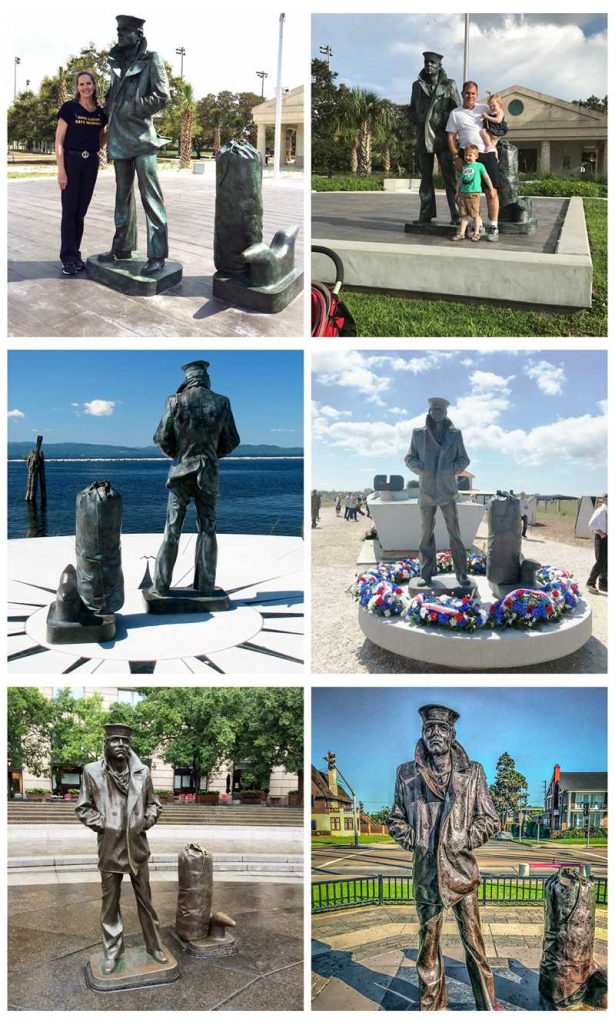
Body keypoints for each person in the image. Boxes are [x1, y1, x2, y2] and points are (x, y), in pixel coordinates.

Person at [387, 704, 501, 1011]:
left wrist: (465, 838)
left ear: (452, 735)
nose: (434, 734)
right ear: (423, 735)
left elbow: (490, 819)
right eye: (428, 729)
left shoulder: (472, 772)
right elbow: (395, 819)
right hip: (426, 873)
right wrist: (416, 841)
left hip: (462, 872)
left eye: (441, 729)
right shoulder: (406, 774)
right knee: (429, 948)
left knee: (475, 945)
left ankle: (487, 1006)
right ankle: (432, 1009)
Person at [76, 723, 167, 975]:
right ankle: (113, 953)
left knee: (146, 901)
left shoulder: (142, 771)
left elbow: (154, 805)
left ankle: (154, 946)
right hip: (110, 848)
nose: (121, 746)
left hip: (137, 848)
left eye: (125, 742)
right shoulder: (91, 772)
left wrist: (144, 822)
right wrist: (104, 824)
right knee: (110, 905)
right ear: (106, 743)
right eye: (115, 741)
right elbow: (83, 808)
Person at [153, 361, 240, 595]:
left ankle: (161, 586)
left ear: (188, 379)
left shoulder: (174, 401)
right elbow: (232, 440)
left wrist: (180, 456)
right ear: (205, 379)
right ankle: (206, 585)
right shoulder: (222, 402)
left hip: (180, 472)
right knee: (208, 528)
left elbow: (161, 438)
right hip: (208, 472)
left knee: (172, 529)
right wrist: (211, 455)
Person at [99, 14, 171, 274]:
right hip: (119, 139)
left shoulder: (152, 59)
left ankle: (157, 255)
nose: (119, 34)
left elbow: (163, 95)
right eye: (118, 30)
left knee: (151, 198)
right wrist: (104, 112)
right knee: (122, 197)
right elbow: (112, 95)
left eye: (125, 30)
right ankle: (121, 247)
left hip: (141, 139)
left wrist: (135, 108)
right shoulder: (116, 62)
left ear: (138, 34)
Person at [405, 397, 471, 588]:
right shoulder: (418, 434)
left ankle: (461, 574)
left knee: (455, 533)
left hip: (448, 490)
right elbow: (409, 458)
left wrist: (450, 470)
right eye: (434, 410)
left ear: (446, 413)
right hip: (427, 491)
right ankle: (426, 575)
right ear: (429, 411)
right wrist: (421, 468)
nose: (437, 413)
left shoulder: (455, 434)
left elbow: (464, 459)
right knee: (426, 533)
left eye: (441, 410)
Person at [55, 71, 107, 276]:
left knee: (80, 212)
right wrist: (61, 171)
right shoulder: (69, 108)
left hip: (90, 163)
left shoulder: (100, 113)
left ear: (94, 85)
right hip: (71, 162)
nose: (85, 87)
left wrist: (111, 132)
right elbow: (58, 141)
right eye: (81, 84)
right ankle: (67, 258)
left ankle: (74, 254)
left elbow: (100, 140)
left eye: (88, 83)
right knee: (69, 211)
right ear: (77, 87)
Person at [409, 51, 461, 224]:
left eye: (432, 62)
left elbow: (458, 110)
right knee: (425, 179)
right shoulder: (417, 86)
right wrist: (418, 118)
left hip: (444, 138)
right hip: (424, 137)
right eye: (426, 62)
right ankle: (426, 213)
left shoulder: (449, 85)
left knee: (450, 179)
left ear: (439, 66)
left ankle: (457, 215)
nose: (429, 65)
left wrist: (445, 122)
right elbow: (411, 109)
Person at [446, 81, 500, 242]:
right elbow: (450, 136)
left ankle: (494, 226)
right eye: (467, 93)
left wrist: (494, 145)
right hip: (466, 155)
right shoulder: (455, 113)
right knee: (467, 192)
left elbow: (501, 123)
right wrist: (456, 156)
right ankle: (479, 225)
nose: (470, 96)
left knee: (491, 191)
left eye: (473, 93)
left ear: (477, 94)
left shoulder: (484, 108)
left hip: (486, 153)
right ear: (462, 94)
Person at [452, 144, 493, 242]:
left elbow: (486, 177)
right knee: (463, 215)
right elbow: (460, 181)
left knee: (475, 214)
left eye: (470, 155)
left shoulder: (479, 166)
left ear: (476, 156)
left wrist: (491, 188)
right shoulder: (464, 167)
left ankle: (477, 232)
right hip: (463, 194)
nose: (467, 157)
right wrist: (457, 192)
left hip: (474, 194)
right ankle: (461, 233)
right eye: (466, 155)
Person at [586, 494, 607, 594]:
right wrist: (601, 533)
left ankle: (603, 584)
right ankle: (590, 583)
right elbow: (591, 524)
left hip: (608, 537)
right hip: (602, 538)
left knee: (606, 561)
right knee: (601, 561)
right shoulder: (601, 510)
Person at [479, 93, 507, 159]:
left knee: (483, 131)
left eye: (494, 106)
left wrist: (487, 117)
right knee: (493, 146)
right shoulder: (491, 112)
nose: (492, 108)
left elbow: (498, 120)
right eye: (490, 106)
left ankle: (488, 145)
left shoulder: (500, 112)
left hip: (497, 129)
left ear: (500, 105)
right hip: (493, 130)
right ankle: (496, 157)